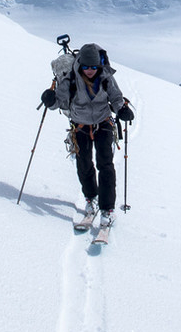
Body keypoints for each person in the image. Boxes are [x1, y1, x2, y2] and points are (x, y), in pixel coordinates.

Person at [40, 42, 134, 227]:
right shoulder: (70, 79)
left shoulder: (106, 77)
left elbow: (115, 97)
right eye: (86, 67)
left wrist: (122, 109)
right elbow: (59, 101)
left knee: (105, 164)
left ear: (98, 65)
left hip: (103, 123)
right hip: (80, 125)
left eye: (93, 67)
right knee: (84, 164)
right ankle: (91, 198)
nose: (90, 71)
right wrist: (49, 101)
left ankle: (107, 209)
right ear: (80, 65)